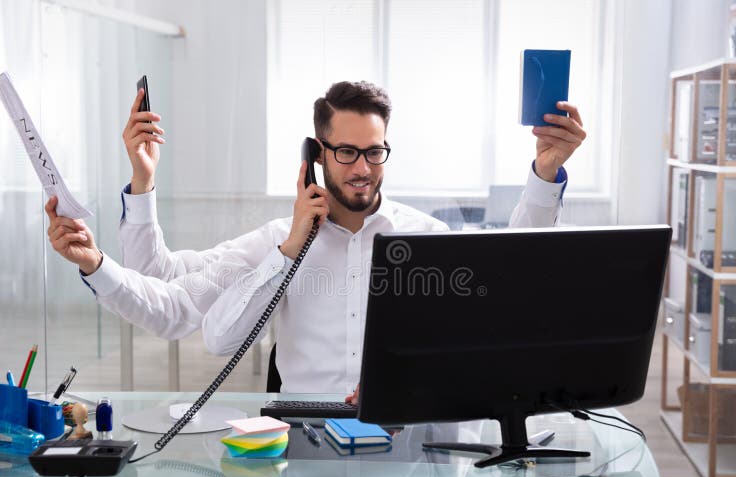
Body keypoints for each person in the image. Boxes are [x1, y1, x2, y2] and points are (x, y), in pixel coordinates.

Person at [46, 81, 586, 399]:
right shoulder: (278, 241)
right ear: (317, 154)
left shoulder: (429, 239)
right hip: (303, 444)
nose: (361, 168)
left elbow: (514, 279)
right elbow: (171, 299)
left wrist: (543, 177)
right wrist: (100, 256)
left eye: (374, 152)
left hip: (406, 445)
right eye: (345, 152)